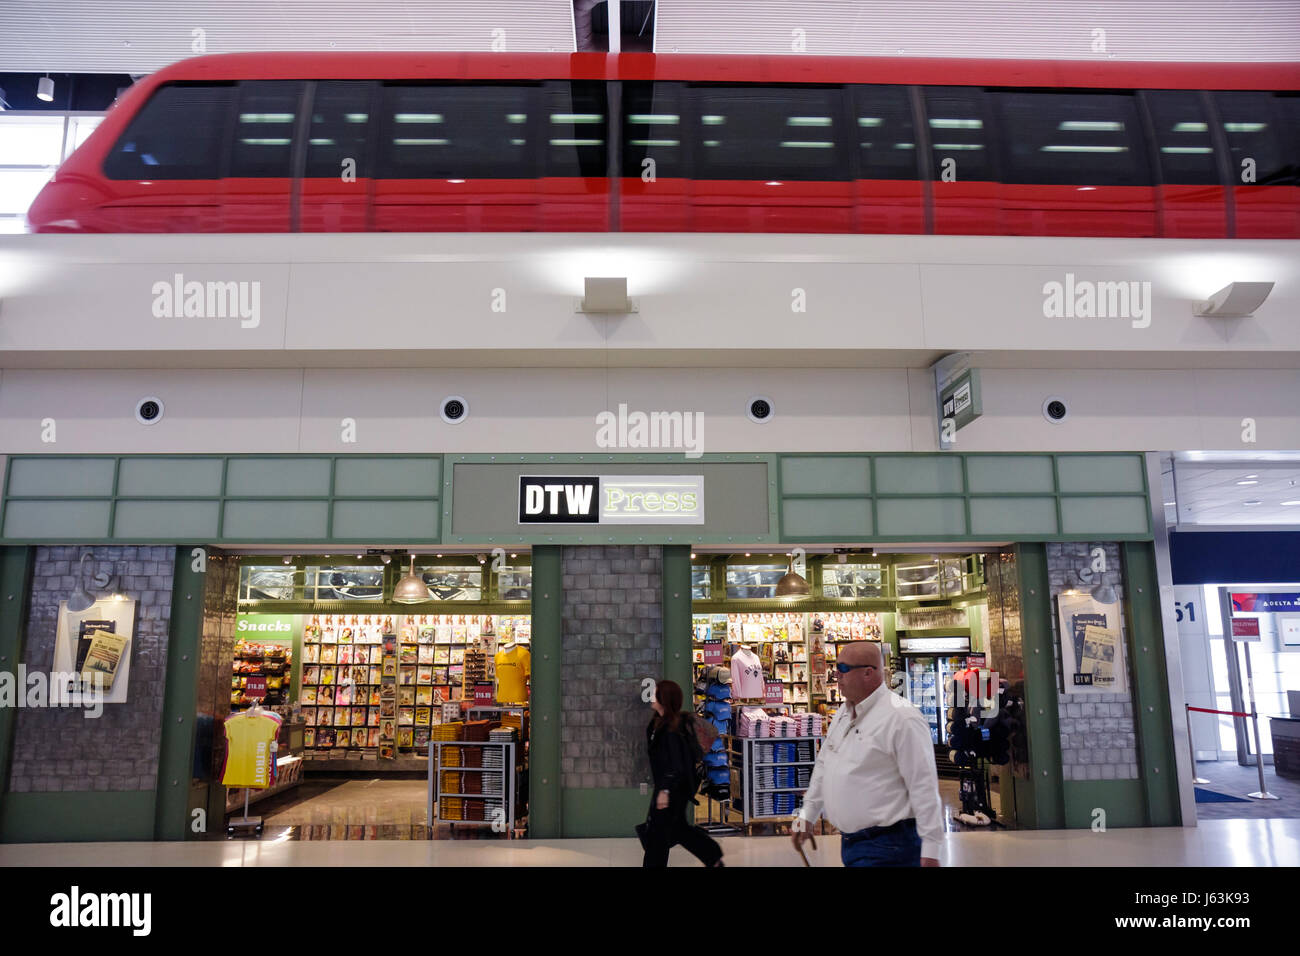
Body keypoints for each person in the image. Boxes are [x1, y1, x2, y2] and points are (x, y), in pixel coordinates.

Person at [792, 641, 944, 867]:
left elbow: (923, 784)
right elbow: (825, 764)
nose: (836, 675)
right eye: (836, 668)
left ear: (868, 673)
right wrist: (807, 815)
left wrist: (932, 847)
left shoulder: (901, 718)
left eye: (843, 669)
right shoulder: (844, 712)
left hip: (890, 846)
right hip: (852, 843)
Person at [642, 679, 724, 868]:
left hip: (672, 789)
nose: (652, 696)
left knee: (661, 833)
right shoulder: (656, 724)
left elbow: (675, 765)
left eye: (656, 693)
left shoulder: (672, 729)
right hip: (667, 787)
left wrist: (664, 791)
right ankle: (713, 857)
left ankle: (713, 855)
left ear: (664, 698)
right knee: (674, 830)